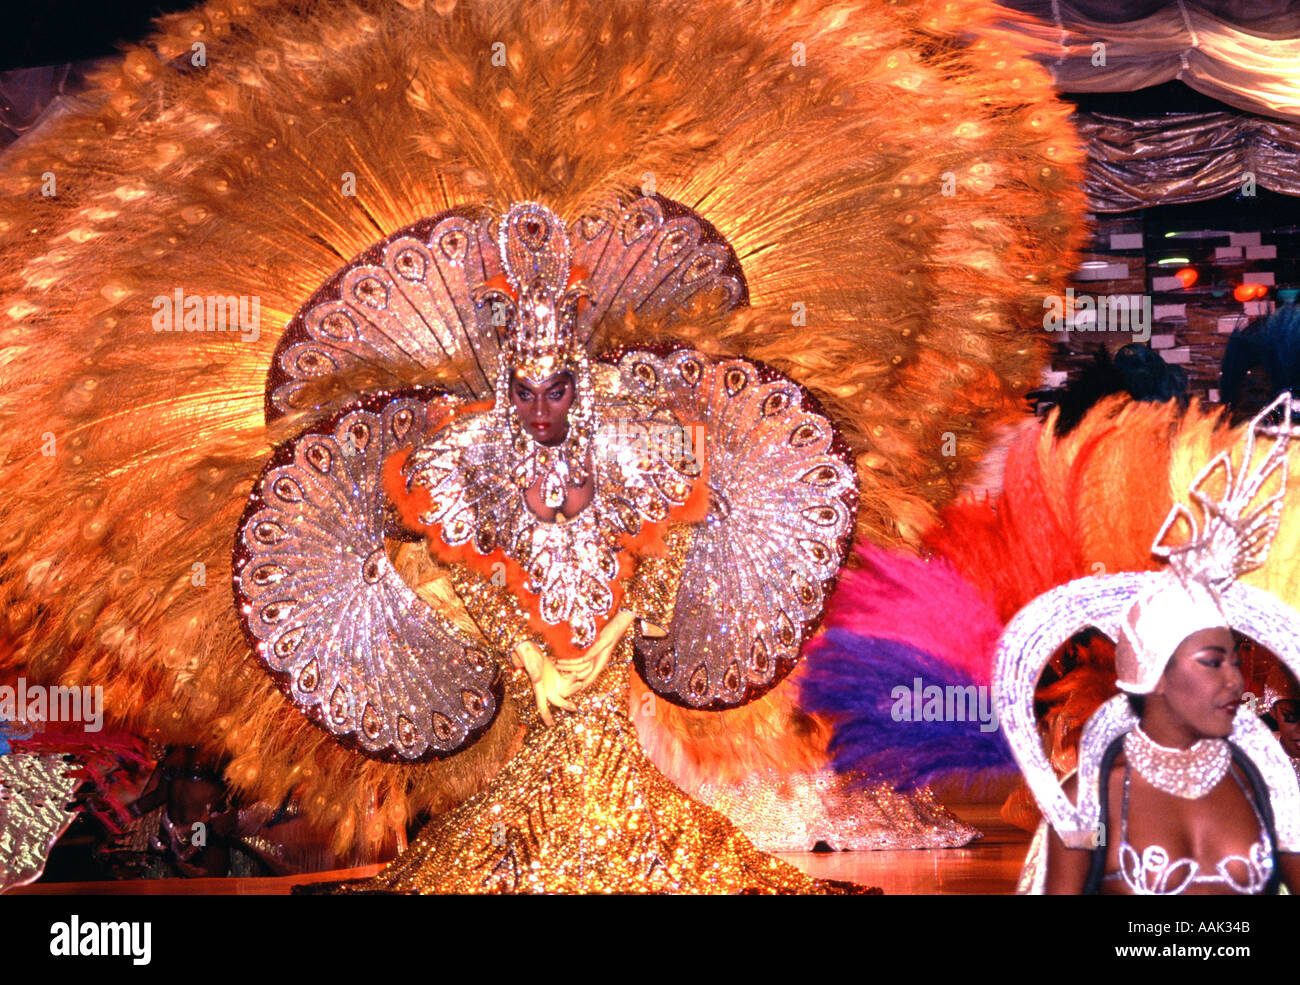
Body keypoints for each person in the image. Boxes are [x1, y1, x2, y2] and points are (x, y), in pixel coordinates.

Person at [245, 201, 869, 893]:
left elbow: (668, 544)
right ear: (506, 385)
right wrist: (529, 656)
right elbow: (464, 567)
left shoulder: (635, 446)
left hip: (610, 670)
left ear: (580, 380)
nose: (541, 410)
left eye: (558, 390)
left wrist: (620, 627)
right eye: (524, 391)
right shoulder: (465, 459)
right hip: (532, 673)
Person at [1001, 394, 1300, 895]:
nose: (1236, 681)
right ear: (1153, 672)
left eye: (1234, 660)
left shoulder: (1265, 784)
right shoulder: (1090, 797)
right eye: (1212, 662)